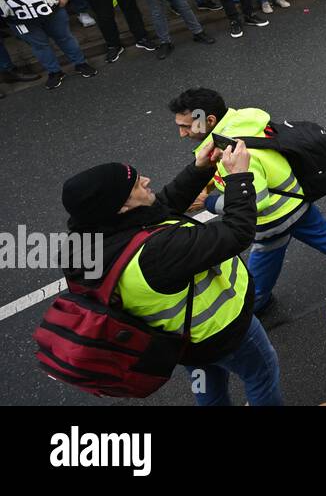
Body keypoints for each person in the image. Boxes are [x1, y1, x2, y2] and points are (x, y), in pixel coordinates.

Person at [60, 149, 283, 406]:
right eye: (135, 185)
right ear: (121, 207)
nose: (146, 181)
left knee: (208, 386)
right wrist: (239, 178)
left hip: (182, 343)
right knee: (262, 376)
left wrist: (200, 168)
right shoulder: (156, 252)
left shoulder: (88, 241)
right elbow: (237, 233)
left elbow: (161, 207)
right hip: (223, 331)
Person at [169, 87, 326, 314]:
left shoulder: (229, 153)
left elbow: (255, 201)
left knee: (259, 272)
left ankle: (255, 305)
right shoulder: (242, 122)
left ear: (209, 120)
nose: (182, 133)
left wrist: (208, 203)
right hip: (296, 200)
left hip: (273, 221)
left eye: (186, 126)